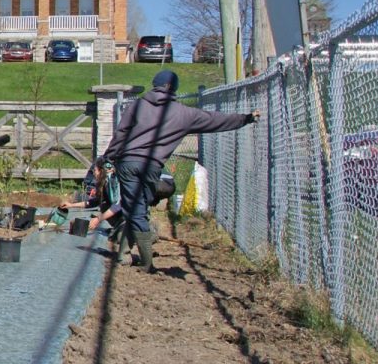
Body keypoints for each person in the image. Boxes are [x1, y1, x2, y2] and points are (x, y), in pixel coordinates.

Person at [101, 69, 257, 272]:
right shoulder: (185, 114)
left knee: (135, 210)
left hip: (128, 163)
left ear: (155, 85)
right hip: (152, 166)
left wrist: (109, 157)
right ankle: (144, 262)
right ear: (174, 89)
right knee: (138, 210)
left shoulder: (137, 105)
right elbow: (216, 120)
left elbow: (121, 133)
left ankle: (132, 258)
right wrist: (245, 118)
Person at [59, 157, 121, 232]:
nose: (93, 174)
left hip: (130, 215)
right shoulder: (105, 183)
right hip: (122, 213)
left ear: (101, 171)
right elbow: (94, 202)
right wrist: (71, 205)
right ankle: (118, 228)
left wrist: (98, 219)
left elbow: (118, 205)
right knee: (104, 206)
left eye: (94, 170)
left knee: (105, 207)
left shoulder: (114, 182)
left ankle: (122, 229)